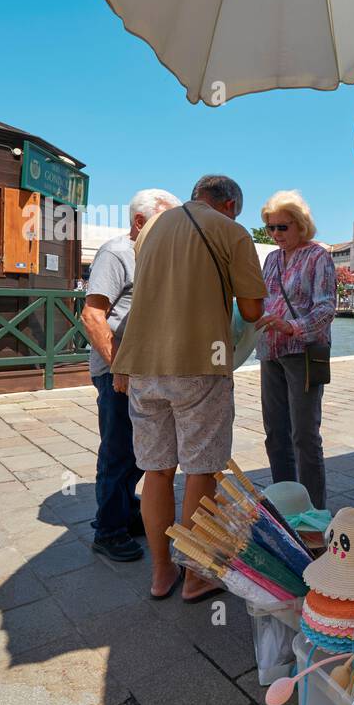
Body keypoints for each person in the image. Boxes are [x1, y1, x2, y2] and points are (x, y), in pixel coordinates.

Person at [112, 175, 266, 602]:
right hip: (201, 361)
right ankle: (196, 575)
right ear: (231, 204)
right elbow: (252, 309)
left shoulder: (153, 230)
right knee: (201, 469)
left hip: (143, 364)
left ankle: (162, 573)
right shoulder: (231, 230)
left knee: (157, 472)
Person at [81, 188, 180, 562]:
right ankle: (108, 530)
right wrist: (118, 365)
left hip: (146, 371)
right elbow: (92, 316)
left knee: (143, 453)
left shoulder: (156, 254)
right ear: (140, 222)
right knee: (120, 452)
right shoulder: (117, 252)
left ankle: (125, 512)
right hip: (118, 371)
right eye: (165, 222)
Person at [257, 190, 336, 509]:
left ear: (300, 225)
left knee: (304, 436)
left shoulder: (318, 256)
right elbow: (263, 298)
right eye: (270, 228)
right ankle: (285, 502)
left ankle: (314, 509)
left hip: (302, 353)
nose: (276, 234)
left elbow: (327, 307)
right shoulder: (271, 258)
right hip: (270, 352)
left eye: (282, 227)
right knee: (275, 432)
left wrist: (292, 327)